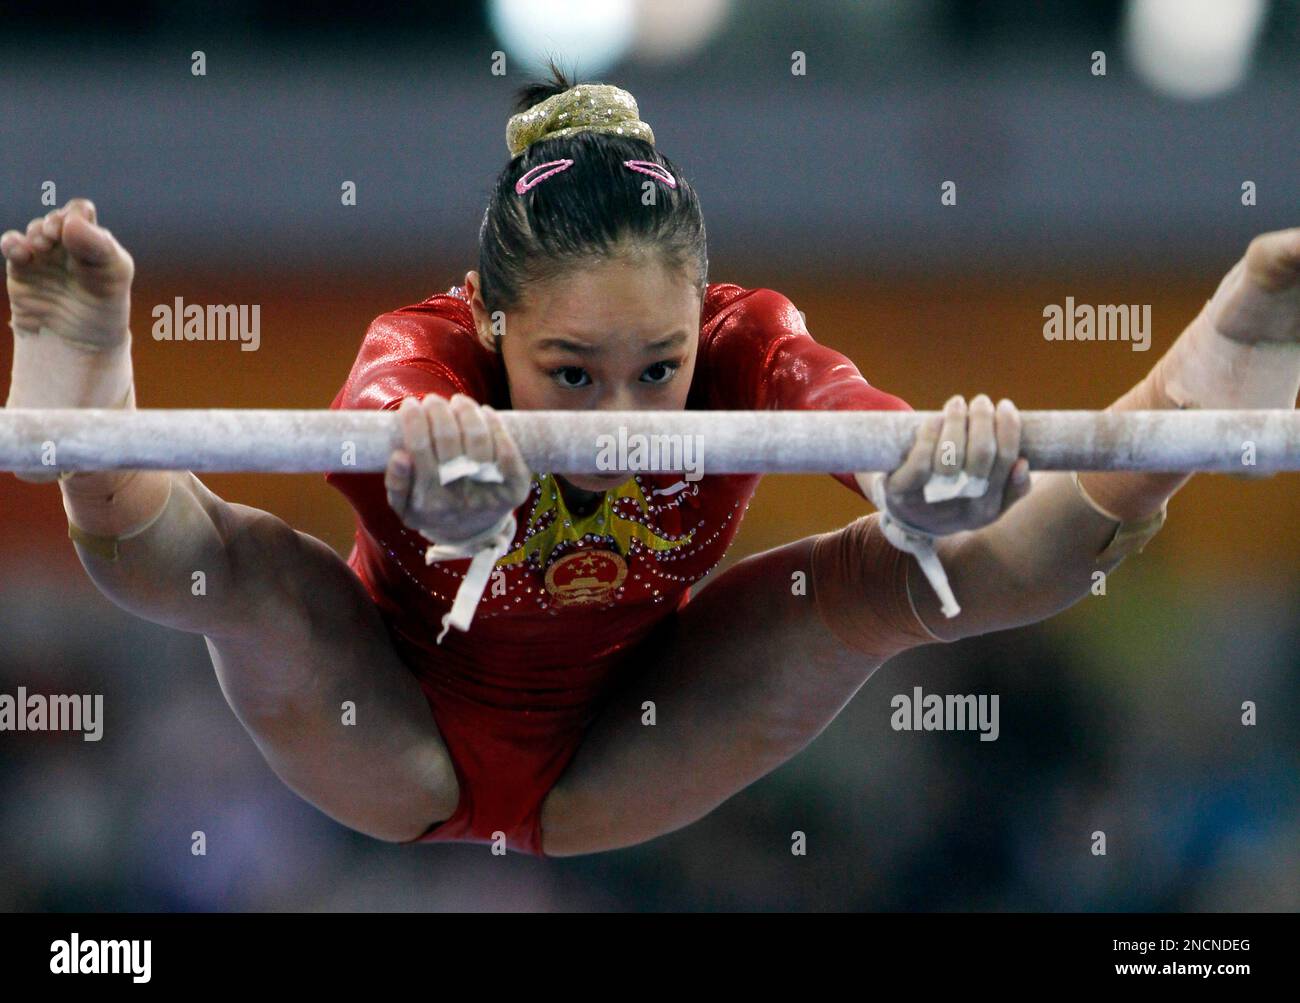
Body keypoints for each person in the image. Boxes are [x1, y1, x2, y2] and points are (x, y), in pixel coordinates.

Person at [4, 66, 1297, 858]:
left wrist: (928, 482)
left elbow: (873, 431)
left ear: (703, 319)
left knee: (908, 582)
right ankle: (81, 369)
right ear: (489, 318)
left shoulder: (753, 337)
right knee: (241, 567)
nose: (620, 410)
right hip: (391, 729)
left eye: (658, 367)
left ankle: (1211, 369)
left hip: (633, 742)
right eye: (569, 373)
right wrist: (441, 487)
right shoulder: (419, 348)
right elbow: (377, 436)